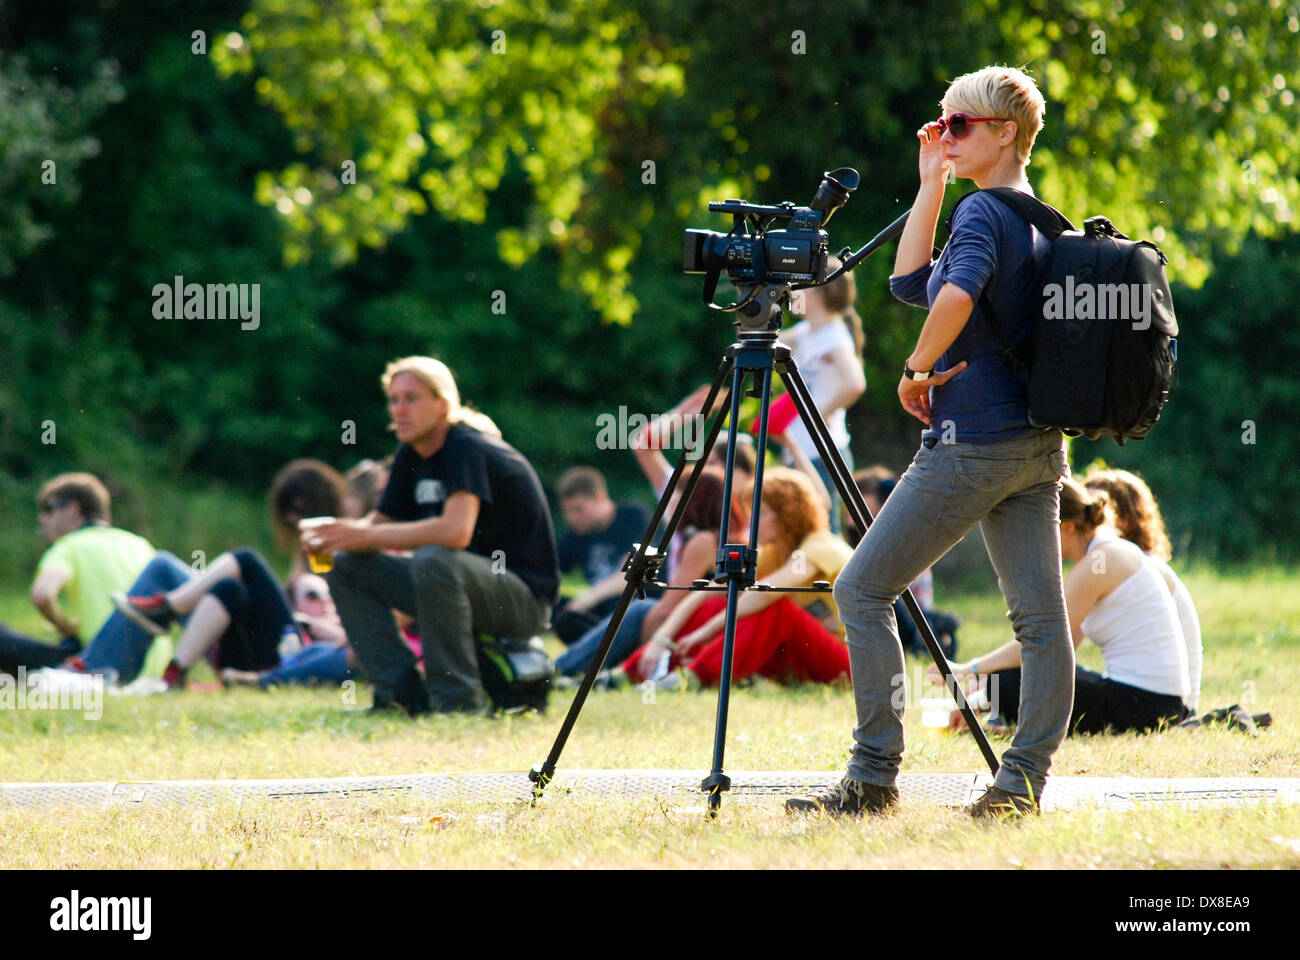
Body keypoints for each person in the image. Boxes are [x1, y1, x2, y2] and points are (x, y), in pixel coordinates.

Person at [786, 65, 1072, 821]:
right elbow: (911, 280)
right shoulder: (1044, 219)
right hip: (1037, 445)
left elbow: (950, 297)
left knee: (860, 589)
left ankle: (874, 774)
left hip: (971, 438)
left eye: (959, 125)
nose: (944, 134)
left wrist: (915, 369)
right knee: (1041, 624)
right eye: (940, 123)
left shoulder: (986, 217)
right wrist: (930, 179)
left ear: (1004, 132)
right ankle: (1020, 785)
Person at [313, 356, 559, 715]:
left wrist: (363, 535)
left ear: (442, 405)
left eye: (411, 398)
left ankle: (457, 703)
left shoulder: (466, 447)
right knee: (345, 563)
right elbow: (377, 525)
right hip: (452, 583)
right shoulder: (410, 453)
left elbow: (455, 533)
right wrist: (334, 536)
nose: (399, 409)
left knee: (434, 557)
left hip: (522, 600)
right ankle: (399, 696)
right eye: (394, 399)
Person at [937, 479, 1191, 735]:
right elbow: (1061, 651)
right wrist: (983, 686)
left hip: (1148, 706)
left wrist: (969, 670)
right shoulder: (1106, 553)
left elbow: (1045, 641)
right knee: (1013, 679)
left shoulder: (1097, 564)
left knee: (1006, 684)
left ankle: (1004, 723)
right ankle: (1000, 721)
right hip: (1155, 701)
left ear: (1068, 526)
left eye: (1042, 529)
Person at [612, 467, 853, 690]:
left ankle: (693, 678)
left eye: (761, 513)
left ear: (788, 515)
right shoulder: (772, 554)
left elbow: (765, 594)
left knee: (776, 608)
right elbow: (707, 591)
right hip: (798, 661)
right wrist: (660, 640)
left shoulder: (822, 545)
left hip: (847, 665)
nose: (751, 522)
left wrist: (705, 632)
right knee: (718, 603)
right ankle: (630, 673)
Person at [555, 468, 744, 678]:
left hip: (686, 624)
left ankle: (561, 667)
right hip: (695, 623)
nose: (668, 502)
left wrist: (646, 647)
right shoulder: (715, 538)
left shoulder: (703, 542)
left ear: (696, 500)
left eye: (676, 495)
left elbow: (668, 607)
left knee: (640, 608)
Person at [0, 474, 155, 680]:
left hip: (99, 665)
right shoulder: (139, 544)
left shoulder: (70, 545)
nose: (42, 519)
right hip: (151, 667)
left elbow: (42, 595)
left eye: (49, 509)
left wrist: (64, 627)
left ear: (73, 509)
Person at [1084, 467, 1202, 713]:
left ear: (1123, 521)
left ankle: (990, 701)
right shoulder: (1122, 565)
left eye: (1095, 512)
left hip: (1171, 706)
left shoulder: (1141, 567)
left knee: (1023, 682)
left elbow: (1058, 639)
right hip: (1162, 701)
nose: (1085, 520)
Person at [773, 256, 867, 533]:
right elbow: (766, 339)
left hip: (824, 452)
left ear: (818, 290)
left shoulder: (834, 337)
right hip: (803, 451)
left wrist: (819, 414)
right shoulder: (808, 332)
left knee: (823, 532)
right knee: (801, 533)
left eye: (800, 284)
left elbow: (855, 382)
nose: (793, 291)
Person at [550, 466, 651, 646]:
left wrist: (587, 598)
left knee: (616, 603)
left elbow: (631, 575)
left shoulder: (634, 516)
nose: (572, 517)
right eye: (567, 511)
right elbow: (547, 569)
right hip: (602, 613)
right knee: (560, 614)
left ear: (600, 498)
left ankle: (569, 664)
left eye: (578, 509)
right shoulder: (575, 536)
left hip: (637, 604)